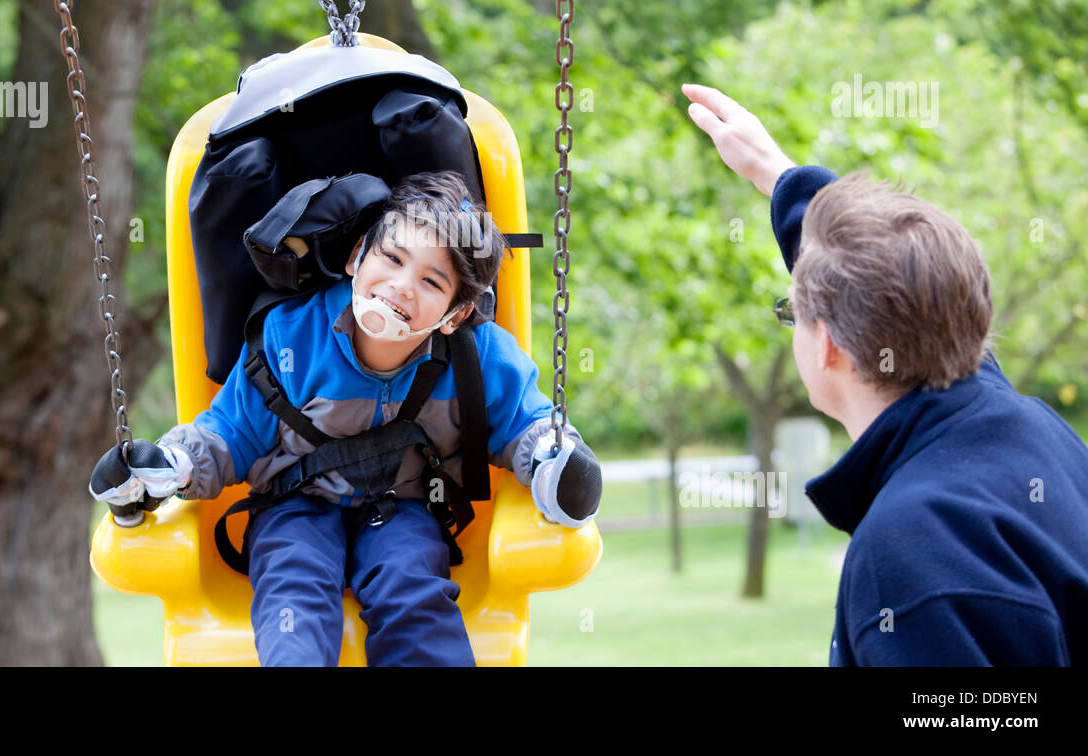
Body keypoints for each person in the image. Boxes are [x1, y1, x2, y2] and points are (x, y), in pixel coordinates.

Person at [90, 170, 602, 666]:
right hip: (294, 505)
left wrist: (553, 462)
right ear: (357, 257)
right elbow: (232, 430)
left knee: (413, 595)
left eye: (430, 280)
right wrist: (171, 466)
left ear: (456, 314)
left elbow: (526, 422)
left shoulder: (480, 356)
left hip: (404, 508)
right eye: (392, 258)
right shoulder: (291, 334)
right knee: (293, 599)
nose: (401, 286)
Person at [683, 82, 1088, 666]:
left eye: (791, 312)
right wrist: (776, 174)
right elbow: (899, 273)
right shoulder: (1022, 424)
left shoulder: (913, 551)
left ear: (827, 345)